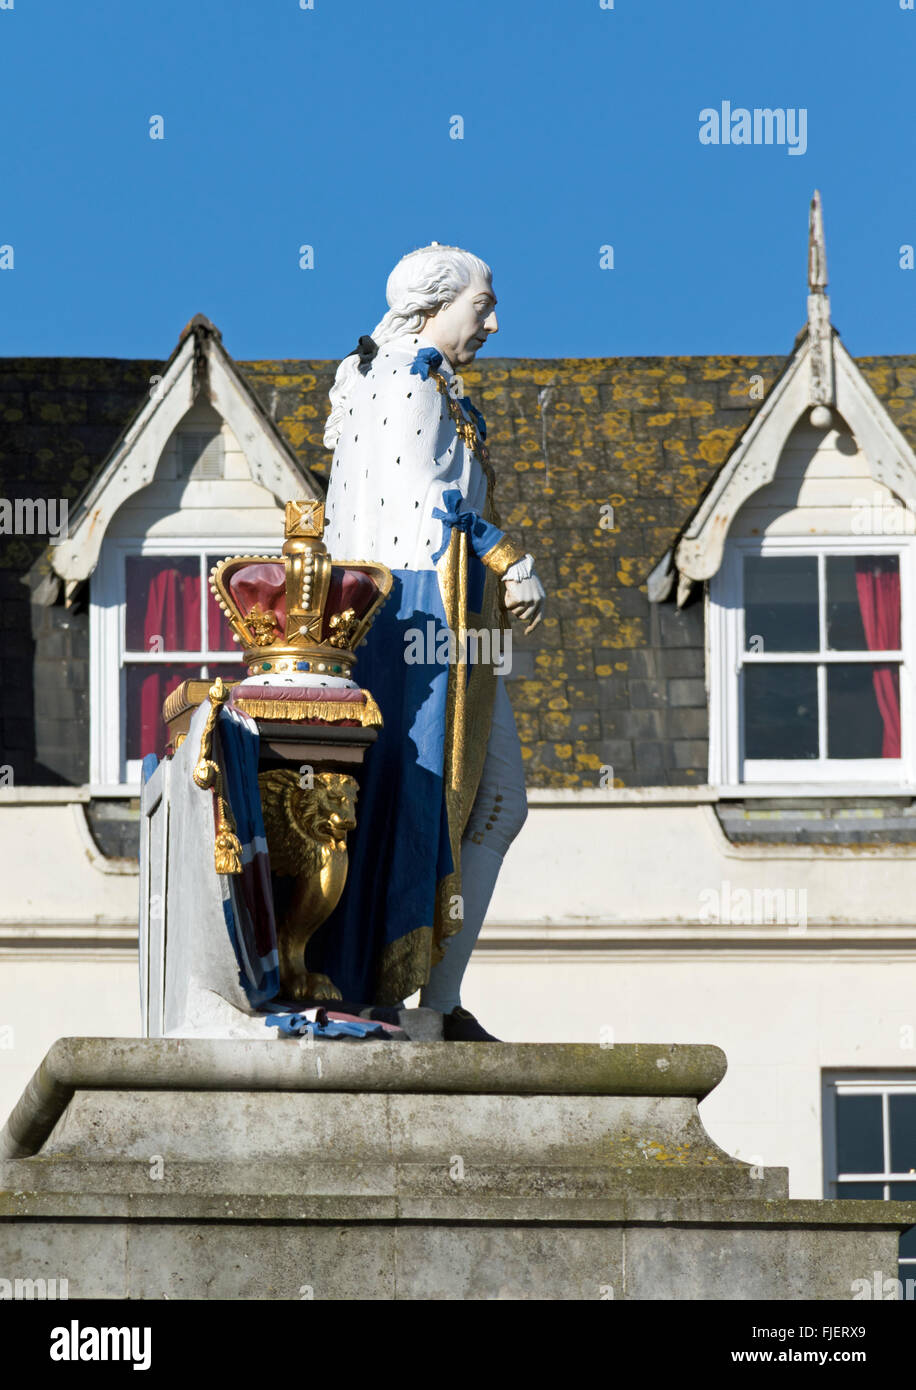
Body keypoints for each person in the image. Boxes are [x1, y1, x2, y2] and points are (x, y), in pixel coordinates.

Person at [312, 243, 546, 1039]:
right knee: (430, 796)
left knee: (495, 804)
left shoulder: (417, 379)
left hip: (451, 619)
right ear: (438, 305)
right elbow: (420, 495)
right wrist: (503, 553)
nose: (493, 322)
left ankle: (435, 1007)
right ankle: (401, 998)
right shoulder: (404, 378)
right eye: (482, 307)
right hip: (419, 616)